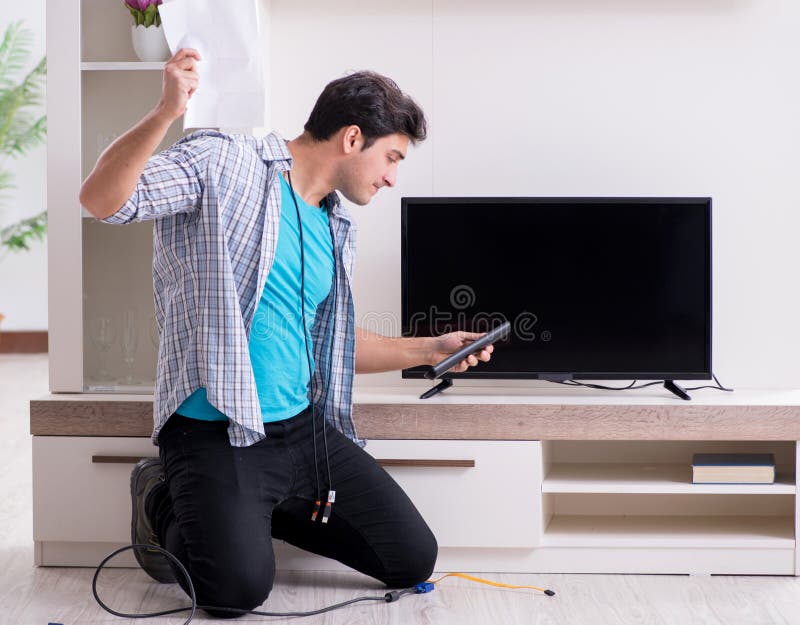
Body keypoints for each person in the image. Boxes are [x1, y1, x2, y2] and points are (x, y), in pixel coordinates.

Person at [79, 48, 494, 618]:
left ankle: (241, 513)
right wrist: (164, 112)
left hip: (300, 430)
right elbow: (101, 201)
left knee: (412, 558)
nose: (393, 177)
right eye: (391, 157)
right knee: (234, 594)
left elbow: (331, 348)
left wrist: (431, 349)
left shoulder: (333, 221)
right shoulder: (224, 163)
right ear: (353, 138)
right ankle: (165, 503)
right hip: (216, 429)